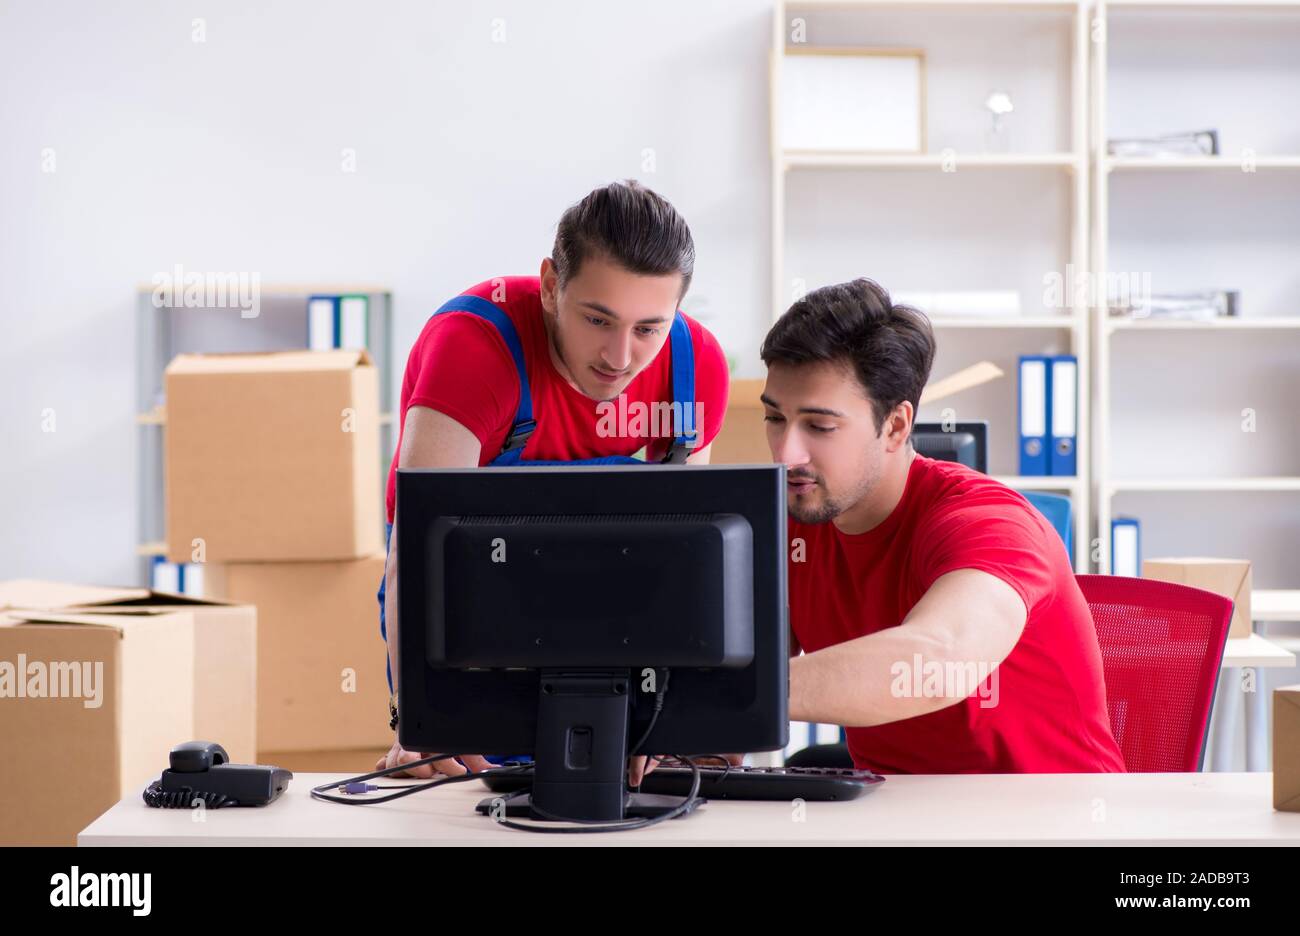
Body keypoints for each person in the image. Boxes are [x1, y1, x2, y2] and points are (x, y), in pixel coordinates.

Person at [377, 180, 729, 780]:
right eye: (598, 319)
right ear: (549, 286)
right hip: (467, 598)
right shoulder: (474, 347)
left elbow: (689, 562)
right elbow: (417, 559)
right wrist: (425, 718)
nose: (620, 357)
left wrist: (677, 715)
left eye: (649, 328)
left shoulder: (695, 369)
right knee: (465, 792)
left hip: (618, 599)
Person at [760, 278, 1125, 773]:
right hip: (900, 817)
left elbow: (938, 662)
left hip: (1053, 826)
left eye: (819, 426)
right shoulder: (795, 522)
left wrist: (733, 694)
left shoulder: (991, 523)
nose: (787, 454)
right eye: (775, 419)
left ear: (895, 425)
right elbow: (742, 659)